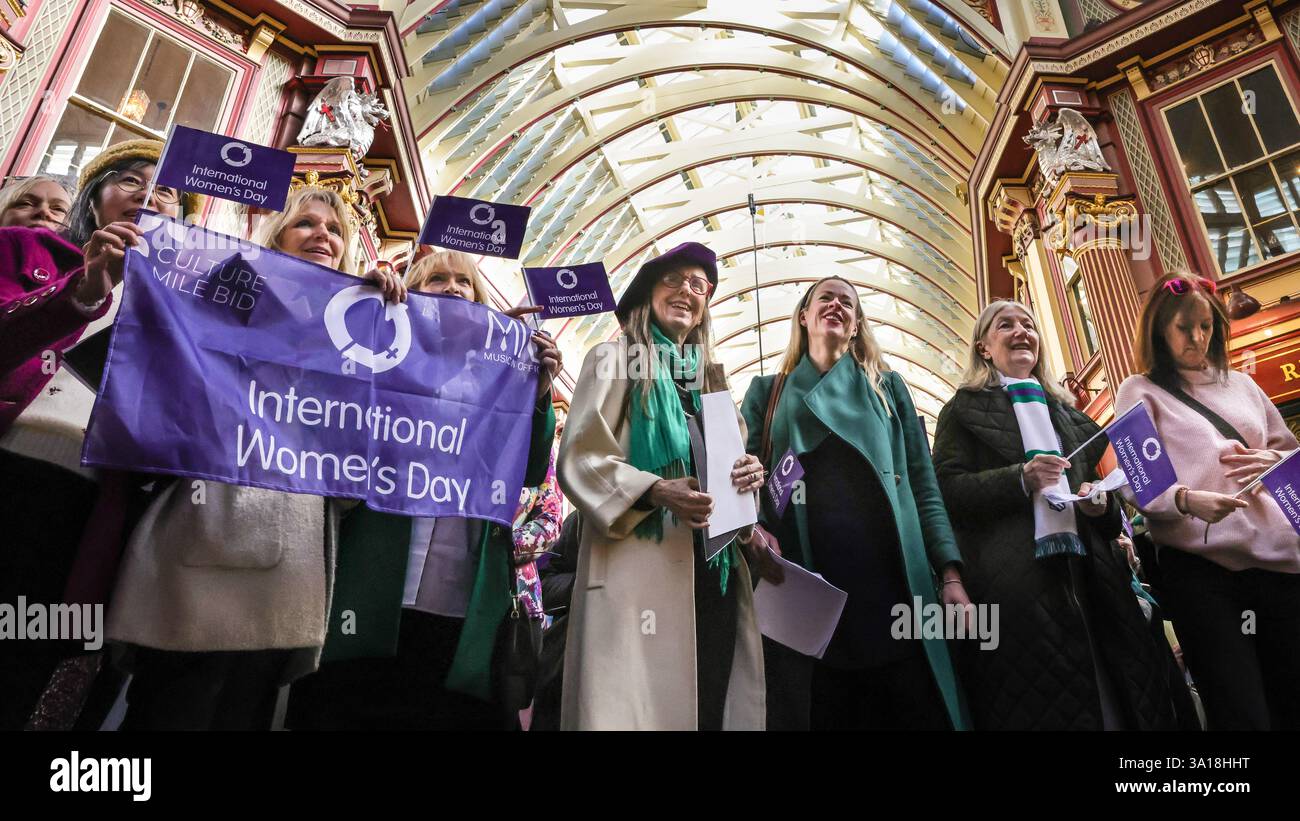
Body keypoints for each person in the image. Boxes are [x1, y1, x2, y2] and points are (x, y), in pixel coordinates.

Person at [103, 186, 398, 730]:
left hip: (295, 553)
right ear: (275, 235)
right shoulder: (231, 289)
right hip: (208, 521)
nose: (322, 236)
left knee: (245, 708)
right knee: (173, 706)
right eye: (306, 224)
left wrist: (376, 316)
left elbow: (364, 456)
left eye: (334, 231)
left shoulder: (357, 327)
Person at [285, 249, 559, 730]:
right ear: (408, 293)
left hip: (457, 601)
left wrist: (528, 385)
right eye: (436, 279)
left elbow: (531, 470)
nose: (453, 289)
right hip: (376, 585)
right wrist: (363, 305)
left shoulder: (502, 376)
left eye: (464, 283)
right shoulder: (380, 351)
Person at [0, 149, 193, 730]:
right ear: (94, 201)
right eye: (130, 183)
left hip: (92, 504)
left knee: (28, 654)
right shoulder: (29, 248)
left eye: (166, 193)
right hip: (12, 466)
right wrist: (83, 288)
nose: (148, 194)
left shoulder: (184, 307)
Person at [931, 298, 1179, 730]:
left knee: (1120, 692)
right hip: (1015, 584)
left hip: (1094, 579)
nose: (1021, 330)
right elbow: (947, 492)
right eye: (1004, 325)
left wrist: (1099, 503)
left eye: (1028, 323)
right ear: (984, 348)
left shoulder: (1072, 415)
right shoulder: (961, 411)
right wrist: (1019, 478)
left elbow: (1107, 510)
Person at [740, 276, 970, 731]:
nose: (836, 305)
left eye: (848, 302)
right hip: (810, 596)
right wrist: (755, 525)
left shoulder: (888, 388)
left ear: (857, 323)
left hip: (895, 592)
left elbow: (924, 487)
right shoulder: (766, 393)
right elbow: (741, 478)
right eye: (825, 297)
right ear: (803, 316)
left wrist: (950, 571)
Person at [557, 241, 766, 730]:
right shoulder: (613, 359)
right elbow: (581, 457)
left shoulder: (711, 385)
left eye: (698, 285)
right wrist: (655, 488)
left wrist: (748, 480)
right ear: (647, 294)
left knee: (706, 704)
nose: (686, 292)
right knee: (638, 710)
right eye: (672, 279)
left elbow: (730, 479)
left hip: (710, 578)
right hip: (637, 575)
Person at [1115, 272, 1300, 730]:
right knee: (1241, 711)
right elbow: (1135, 480)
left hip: (1281, 567)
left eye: (1207, 325)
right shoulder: (1138, 390)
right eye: (1184, 327)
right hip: (1204, 577)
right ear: (1160, 328)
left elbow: (1290, 454)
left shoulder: (1243, 384)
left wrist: (1271, 459)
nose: (1198, 337)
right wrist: (1185, 499)